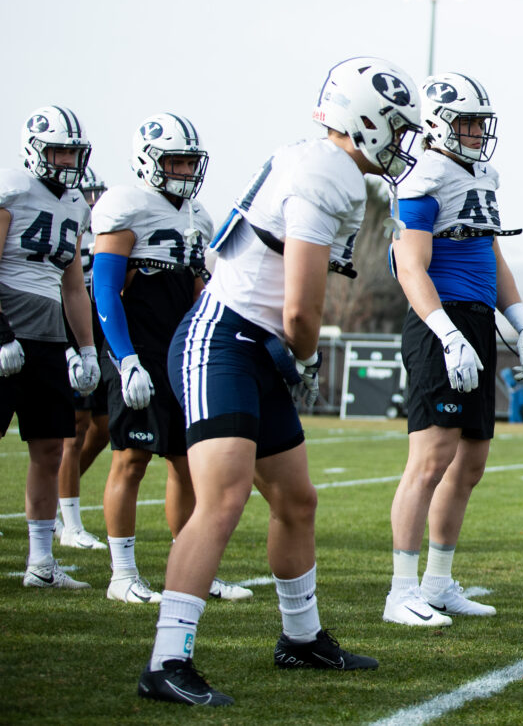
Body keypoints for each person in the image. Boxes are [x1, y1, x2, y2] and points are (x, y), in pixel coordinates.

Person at [136, 57, 423, 707]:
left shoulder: (322, 165)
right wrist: (306, 356)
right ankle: (166, 659)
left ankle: (300, 638)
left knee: (297, 499)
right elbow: (299, 307)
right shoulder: (329, 174)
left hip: (253, 345)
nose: (402, 142)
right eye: (397, 128)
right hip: (225, 340)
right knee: (225, 499)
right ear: (366, 120)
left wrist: (291, 354)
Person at [385, 71, 523, 627]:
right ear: (436, 122)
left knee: (469, 461)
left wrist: (519, 322)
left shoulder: (482, 174)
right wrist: (446, 333)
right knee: (429, 461)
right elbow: (410, 265)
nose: (476, 132)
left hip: (475, 321)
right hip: (438, 323)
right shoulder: (422, 178)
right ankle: (401, 591)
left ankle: (439, 583)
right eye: (466, 122)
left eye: (479, 122)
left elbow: (490, 257)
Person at [93, 114, 251, 604]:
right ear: (148, 162)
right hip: (136, 349)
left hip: (180, 352)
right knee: (131, 458)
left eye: (189, 160)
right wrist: (125, 359)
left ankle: (190, 569)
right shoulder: (126, 205)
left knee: (187, 464)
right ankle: (122, 575)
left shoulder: (199, 215)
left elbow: (199, 289)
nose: (184, 169)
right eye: (174, 160)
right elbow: (105, 288)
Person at [0, 105, 101, 589]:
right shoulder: (12, 188)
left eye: (71, 151)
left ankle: (41, 563)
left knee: (48, 450)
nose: (65, 160)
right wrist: (0, 334)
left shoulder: (78, 204)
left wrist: (84, 348)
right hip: (6, 334)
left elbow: (74, 286)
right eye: (57, 149)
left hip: (47, 340)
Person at [56, 166, 111, 550]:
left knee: (103, 426)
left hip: (101, 327)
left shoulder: (110, 228)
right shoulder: (65, 227)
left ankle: (62, 510)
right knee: (73, 426)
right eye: (87, 193)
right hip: (65, 323)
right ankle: (69, 522)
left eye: (98, 193)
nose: (93, 202)